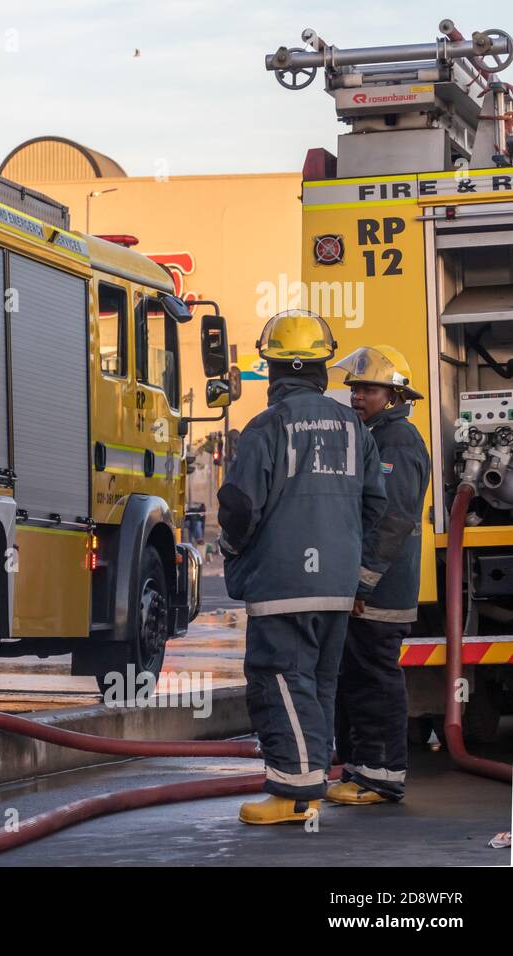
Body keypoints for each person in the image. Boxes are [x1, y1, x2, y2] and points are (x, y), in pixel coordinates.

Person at [218, 311, 387, 825]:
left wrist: (231, 548)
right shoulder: (356, 430)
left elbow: (241, 508)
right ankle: (310, 780)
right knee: (317, 683)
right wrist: (348, 555)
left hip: (283, 582)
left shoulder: (267, 427)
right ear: (322, 367)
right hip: (336, 583)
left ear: (272, 369)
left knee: (279, 679)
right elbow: (376, 505)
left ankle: (294, 792)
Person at [328, 346, 429, 806]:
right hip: (366, 586)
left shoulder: (399, 441)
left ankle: (382, 776)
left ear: (393, 395)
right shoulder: (372, 437)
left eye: (368, 389)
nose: (357, 397)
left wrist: (362, 580)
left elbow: (395, 518)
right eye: (354, 388)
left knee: (375, 677)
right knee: (356, 677)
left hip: (381, 590)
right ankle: (360, 769)